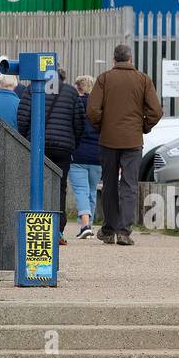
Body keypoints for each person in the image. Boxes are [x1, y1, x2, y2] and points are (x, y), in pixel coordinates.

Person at [87, 44, 162, 246]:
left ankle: (109, 229)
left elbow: (93, 110)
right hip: (133, 141)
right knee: (129, 185)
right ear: (131, 59)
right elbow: (155, 111)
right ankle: (124, 231)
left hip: (108, 140)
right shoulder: (143, 79)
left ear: (114, 60)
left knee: (109, 184)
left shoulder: (104, 79)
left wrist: (102, 126)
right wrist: (143, 127)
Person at [17, 68, 83, 244]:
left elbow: (22, 118)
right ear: (62, 76)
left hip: (37, 145)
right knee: (59, 187)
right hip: (63, 148)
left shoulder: (31, 89)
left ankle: (36, 228)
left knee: (35, 184)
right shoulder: (71, 92)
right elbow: (79, 122)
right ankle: (58, 230)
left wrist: (25, 140)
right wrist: (72, 143)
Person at [69, 75, 102, 239]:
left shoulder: (76, 104)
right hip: (97, 155)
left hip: (79, 155)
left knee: (81, 191)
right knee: (91, 191)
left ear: (79, 88)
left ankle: (85, 224)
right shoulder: (100, 106)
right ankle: (89, 226)